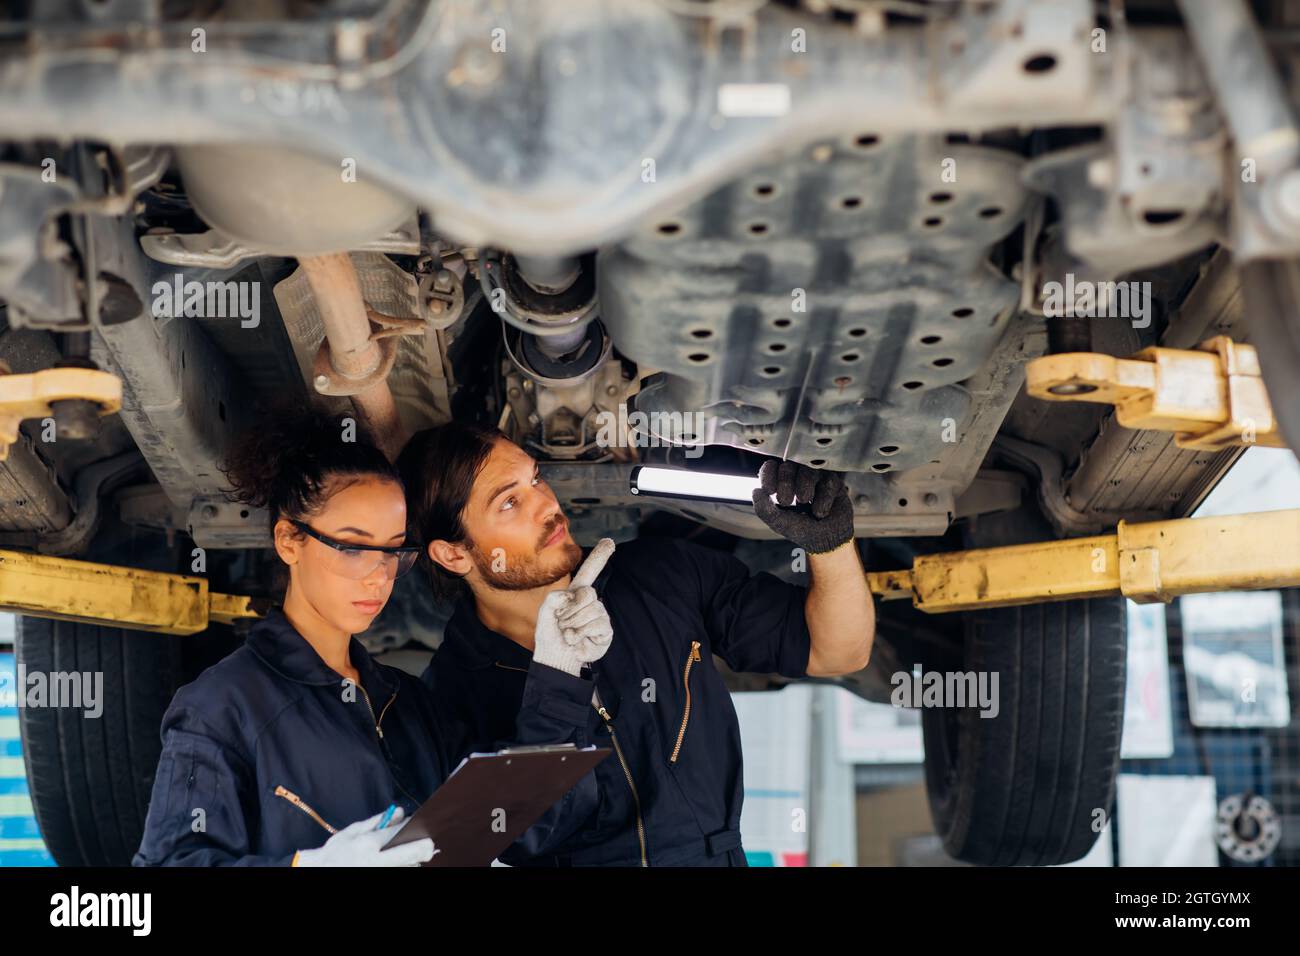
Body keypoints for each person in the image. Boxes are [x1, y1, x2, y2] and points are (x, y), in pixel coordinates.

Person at [133, 406, 603, 866]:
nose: (379, 577)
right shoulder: (222, 706)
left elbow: (524, 831)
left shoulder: (413, 706)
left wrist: (558, 674)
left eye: (394, 552)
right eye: (354, 548)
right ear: (288, 541)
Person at [397, 422, 875, 866]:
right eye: (509, 502)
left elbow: (835, 652)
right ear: (454, 554)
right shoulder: (447, 697)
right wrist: (557, 680)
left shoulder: (660, 575)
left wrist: (828, 545)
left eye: (537, 479)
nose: (547, 505)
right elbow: (497, 836)